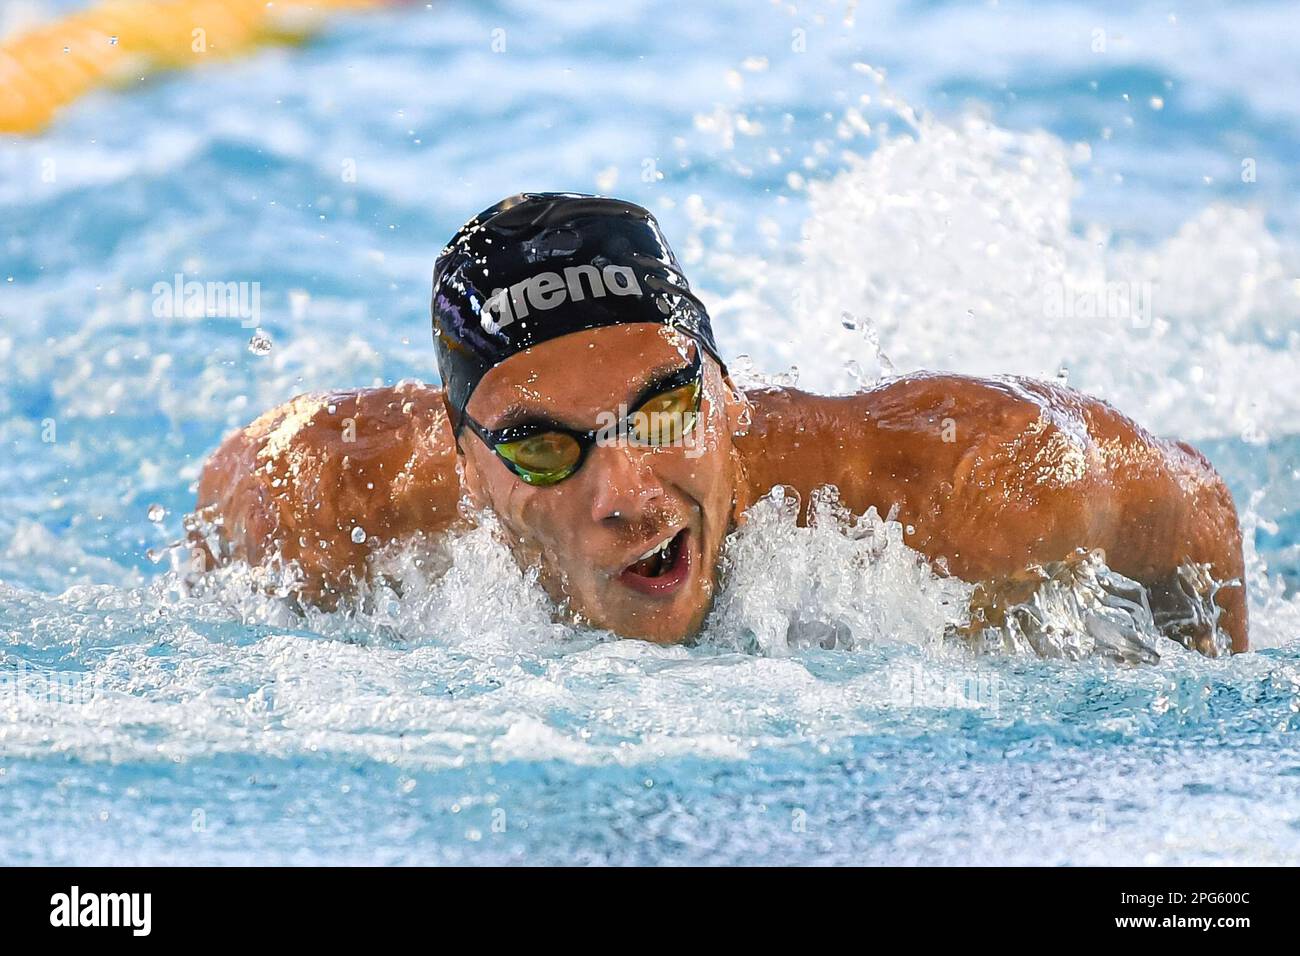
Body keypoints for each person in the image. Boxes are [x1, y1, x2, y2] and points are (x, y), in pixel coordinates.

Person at [192, 193, 1248, 653]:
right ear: (465, 465)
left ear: (727, 396)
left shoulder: (967, 484)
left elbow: (1194, 504)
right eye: (542, 443)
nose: (628, 495)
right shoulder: (322, 497)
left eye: (663, 410)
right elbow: (233, 491)